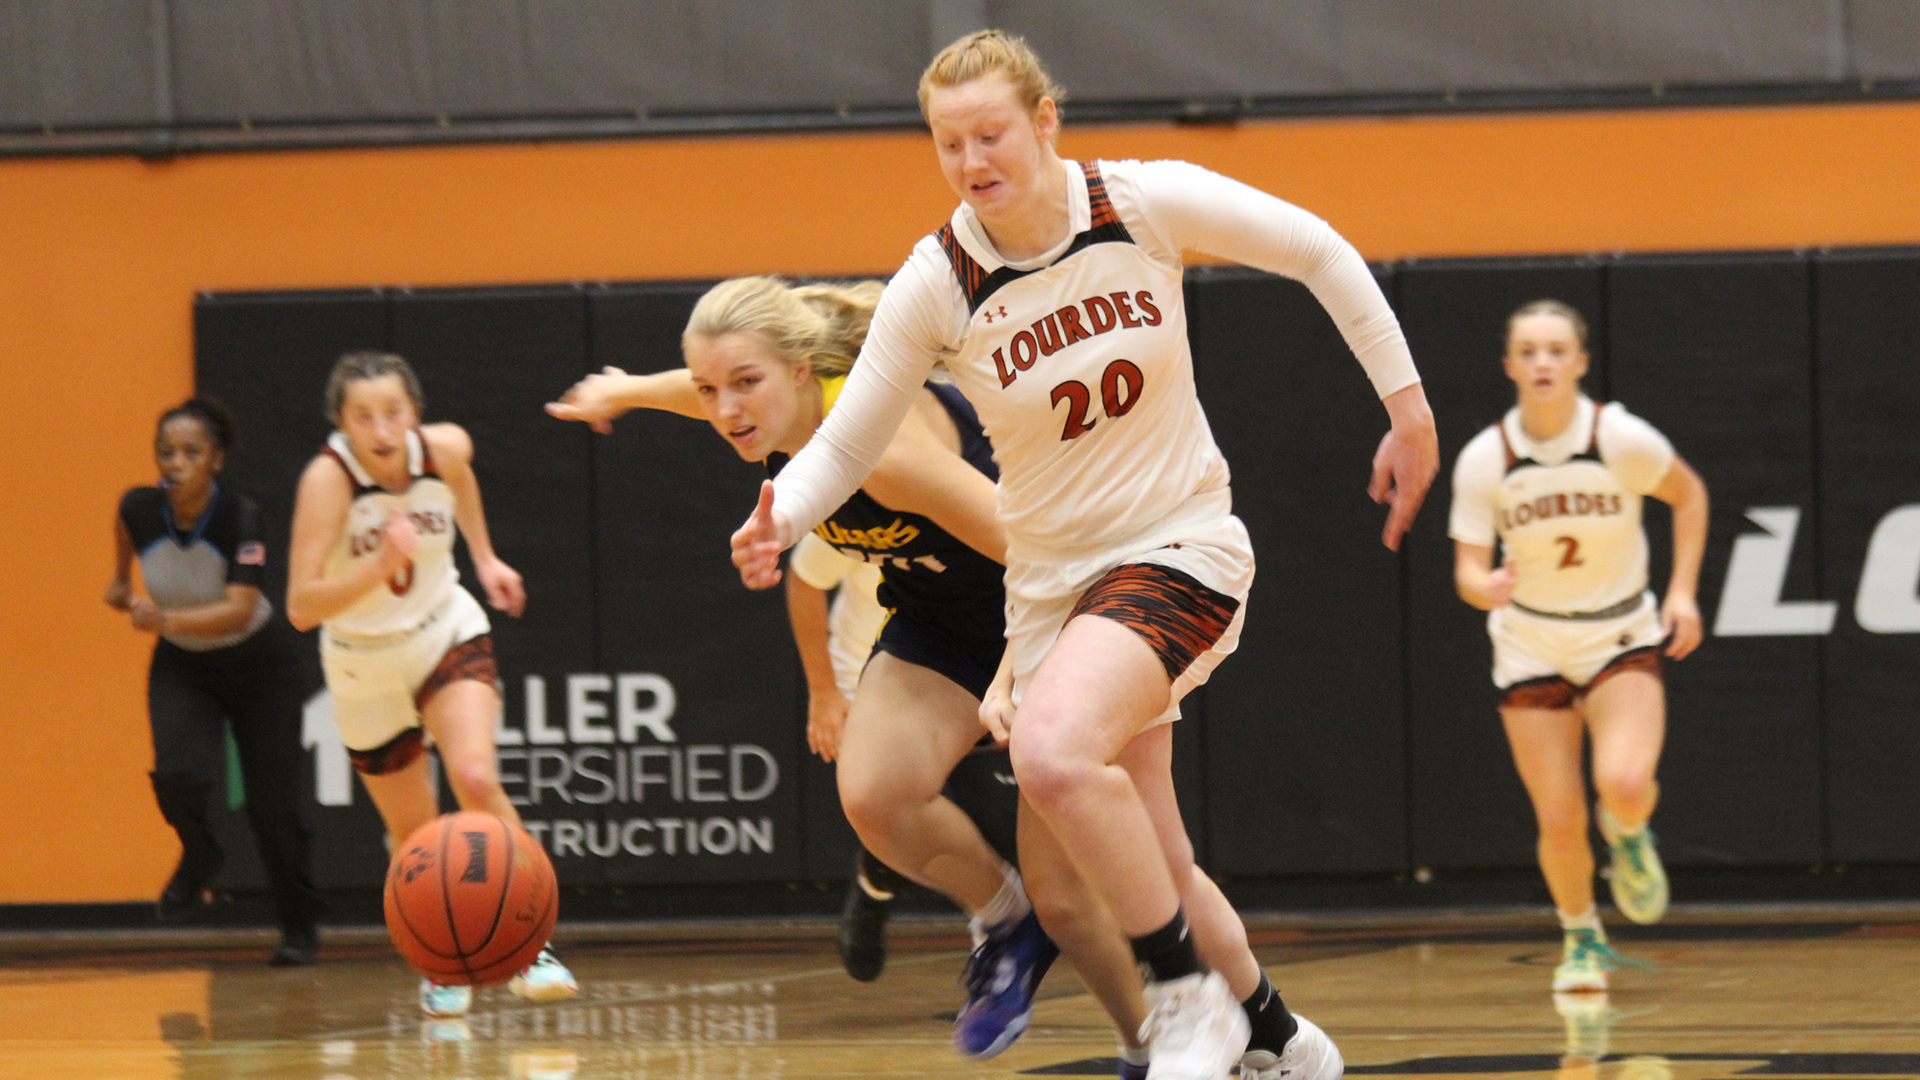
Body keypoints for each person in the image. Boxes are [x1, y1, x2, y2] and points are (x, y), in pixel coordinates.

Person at [728, 29, 1438, 1080]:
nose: (973, 162)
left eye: (991, 134)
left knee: (1056, 754)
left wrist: (1409, 409)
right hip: (1055, 591)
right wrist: (780, 515)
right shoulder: (941, 278)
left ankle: (1186, 996)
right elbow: (850, 435)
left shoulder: (1139, 204)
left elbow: (1317, 248)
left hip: (1178, 545)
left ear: (1044, 120)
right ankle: (1285, 1041)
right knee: (1151, 856)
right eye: (948, 143)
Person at [550, 278, 1156, 1072]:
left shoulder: (883, 443)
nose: (727, 409)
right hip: (940, 618)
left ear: (802, 371)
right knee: (874, 794)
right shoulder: (766, 403)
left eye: (744, 384)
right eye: (711, 389)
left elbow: (1042, 555)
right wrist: (626, 391)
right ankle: (1008, 924)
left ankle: (1153, 1049)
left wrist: (1016, 668)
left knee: (1068, 896)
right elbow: (703, 389)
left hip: (1047, 608)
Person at [285, 352, 579, 1017]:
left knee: (475, 776)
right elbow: (302, 606)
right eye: (363, 416)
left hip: (445, 630)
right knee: (415, 832)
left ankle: (535, 946)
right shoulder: (328, 482)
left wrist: (484, 557)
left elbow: (462, 471)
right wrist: (381, 564)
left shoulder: (438, 450)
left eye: (393, 412)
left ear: (414, 414)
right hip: (362, 661)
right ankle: (441, 960)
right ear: (341, 425)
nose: (381, 428)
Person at [1448, 300, 1707, 993]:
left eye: (1556, 350)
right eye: (1528, 351)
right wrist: (1485, 587)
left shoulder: (1621, 438)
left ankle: (1627, 835)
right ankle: (1582, 937)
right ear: (1509, 366)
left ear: (1581, 363)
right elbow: (1468, 569)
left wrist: (1681, 594)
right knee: (1558, 817)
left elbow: (1690, 496)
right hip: (1531, 640)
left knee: (1621, 785)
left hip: (1618, 630)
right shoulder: (1486, 459)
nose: (1542, 363)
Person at [107, 398, 323, 966]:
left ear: (217, 461)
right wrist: (117, 579)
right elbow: (125, 529)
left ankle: (299, 929)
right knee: (176, 775)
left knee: (271, 808)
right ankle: (199, 853)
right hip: (185, 666)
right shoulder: (139, 507)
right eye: (166, 452)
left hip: (261, 666)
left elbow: (238, 607)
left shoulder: (240, 518)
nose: (175, 463)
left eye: (191, 452)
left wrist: (163, 618)